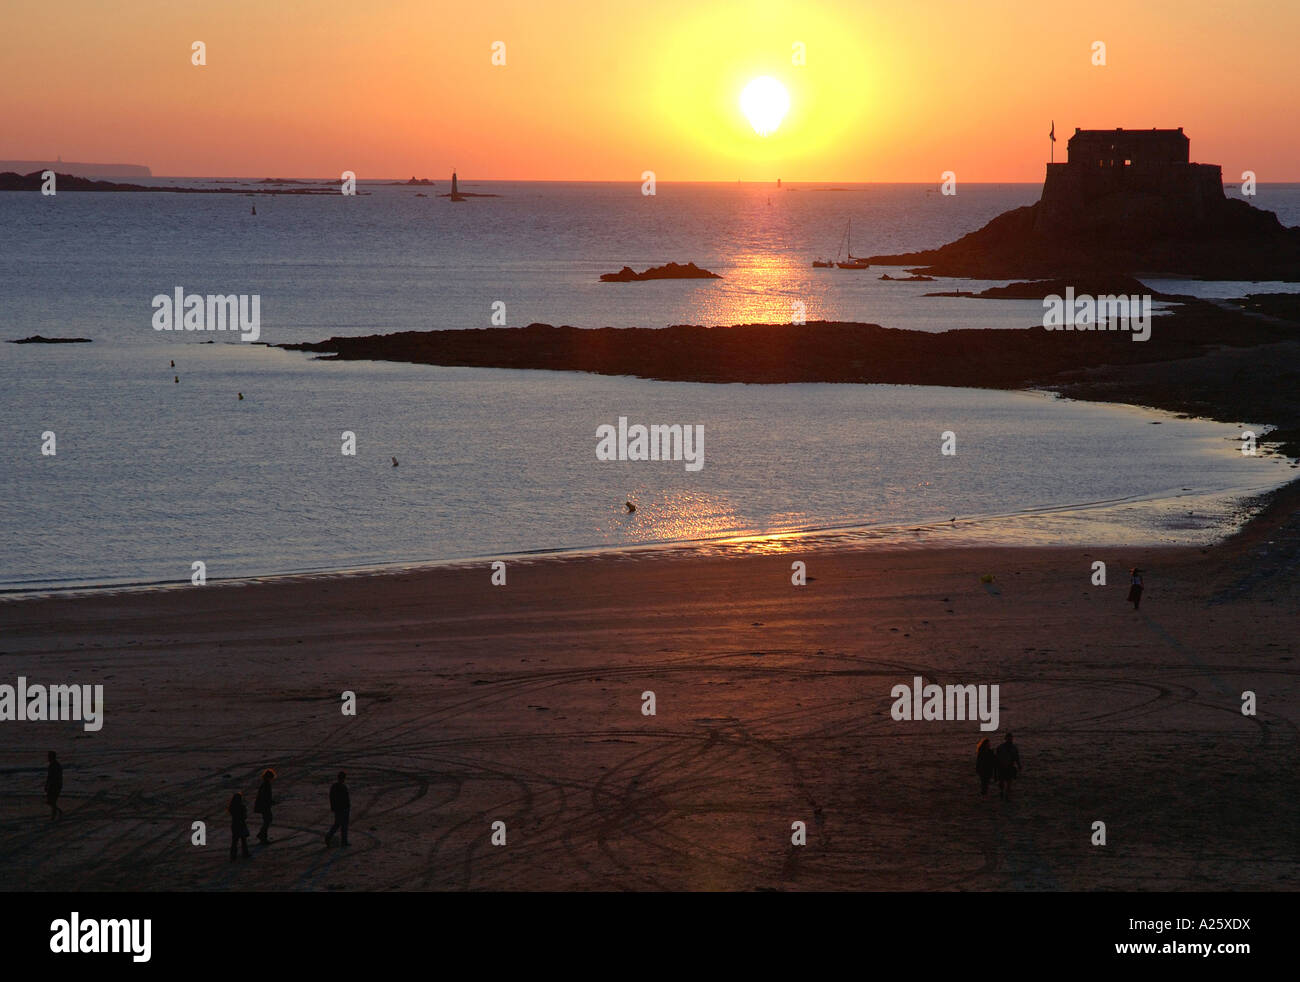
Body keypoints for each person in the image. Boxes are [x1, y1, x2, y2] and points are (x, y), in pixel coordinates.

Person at [326, 771, 350, 847]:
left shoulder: (335, 786)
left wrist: (333, 807)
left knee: (338, 824)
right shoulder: (342, 787)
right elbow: (345, 799)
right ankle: (343, 841)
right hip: (343, 808)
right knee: (342, 825)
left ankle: (330, 837)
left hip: (339, 808)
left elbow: (331, 798)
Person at [995, 733, 1021, 800]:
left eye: (1011, 738)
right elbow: (997, 758)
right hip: (1001, 767)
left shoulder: (1014, 748)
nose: (1010, 740)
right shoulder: (1000, 747)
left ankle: (1007, 795)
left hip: (1010, 766)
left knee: (1009, 782)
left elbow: (1016, 757)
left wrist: (1019, 765)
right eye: (1008, 738)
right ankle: (1002, 792)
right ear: (1005, 739)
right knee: (1002, 782)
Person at [253, 769, 275, 843]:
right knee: (268, 820)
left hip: (263, 805)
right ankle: (262, 836)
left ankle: (262, 835)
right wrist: (270, 802)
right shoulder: (266, 785)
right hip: (264, 806)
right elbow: (265, 797)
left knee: (267, 820)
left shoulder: (265, 784)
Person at [228, 792, 251, 861]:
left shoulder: (232, 807)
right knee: (243, 840)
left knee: (235, 841)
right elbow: (244, 816)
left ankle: (233, 855)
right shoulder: (242, 807)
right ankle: (245, 853)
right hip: (241, 824)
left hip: (234, 824)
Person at [45, 751, 63, 821]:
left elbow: (54, 777)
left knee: (52, 801)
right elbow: (49, 777)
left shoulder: (56, 765)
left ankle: (54, 815)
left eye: (49, 757)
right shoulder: (52, 765)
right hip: (53, 785)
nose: (48, 758)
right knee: (50, 801)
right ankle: (58, 812)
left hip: (56, 785)